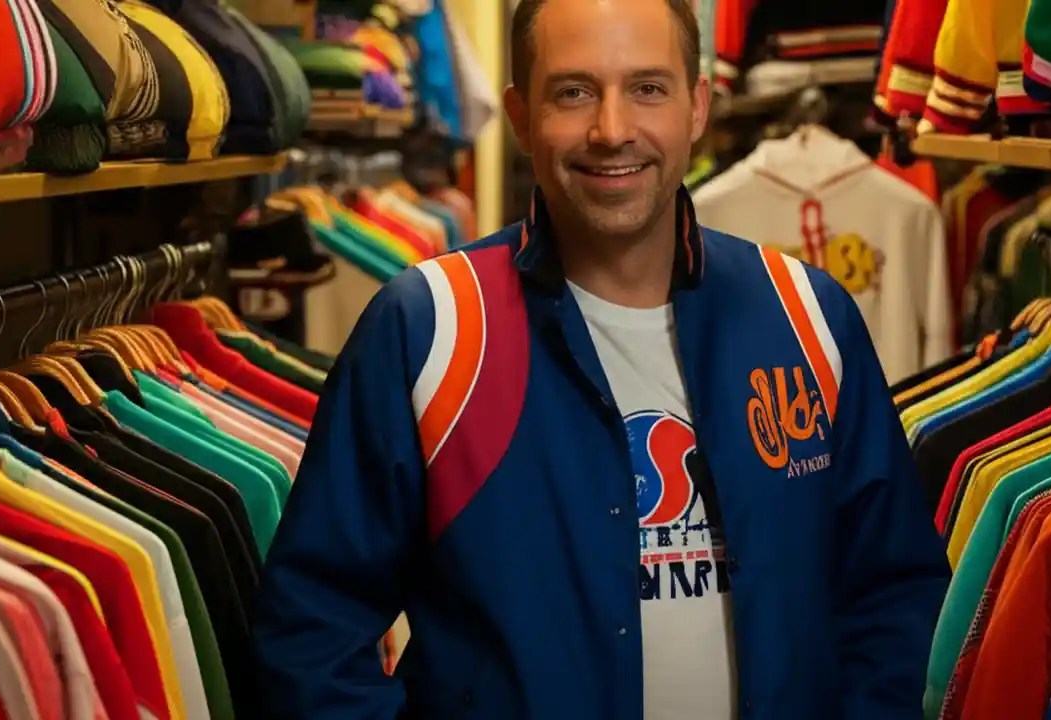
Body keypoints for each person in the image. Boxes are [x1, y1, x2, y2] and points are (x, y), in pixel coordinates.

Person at [252, 0, 950, 717]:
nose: (612, 130)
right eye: (573, 91)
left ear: (698, 107)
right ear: (522, 117)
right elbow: (313, 633)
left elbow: (893, 594)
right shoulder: (428, 327)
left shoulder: (808, 316)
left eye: (648, 88)